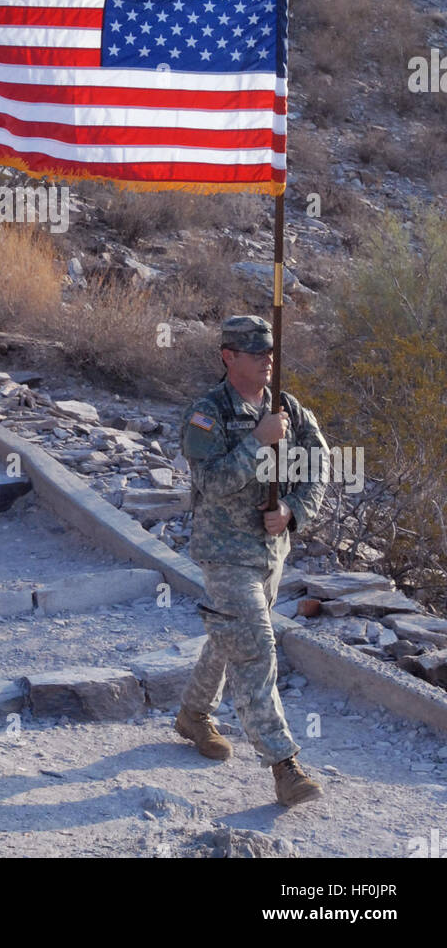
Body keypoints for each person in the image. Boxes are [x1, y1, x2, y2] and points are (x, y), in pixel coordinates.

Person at [175, 314, 328, 809]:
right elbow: (211, 482)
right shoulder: (207, 414)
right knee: (256, 647)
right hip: (225, 554)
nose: (268, 360)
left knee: (232, 636)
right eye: (256, 352)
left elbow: (319, 462)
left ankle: (194, 715)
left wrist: (293, 510)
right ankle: (284, 766)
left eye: (270, 352)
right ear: (228, 357)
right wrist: (257, 441)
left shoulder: (287, 409)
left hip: (271, 552)